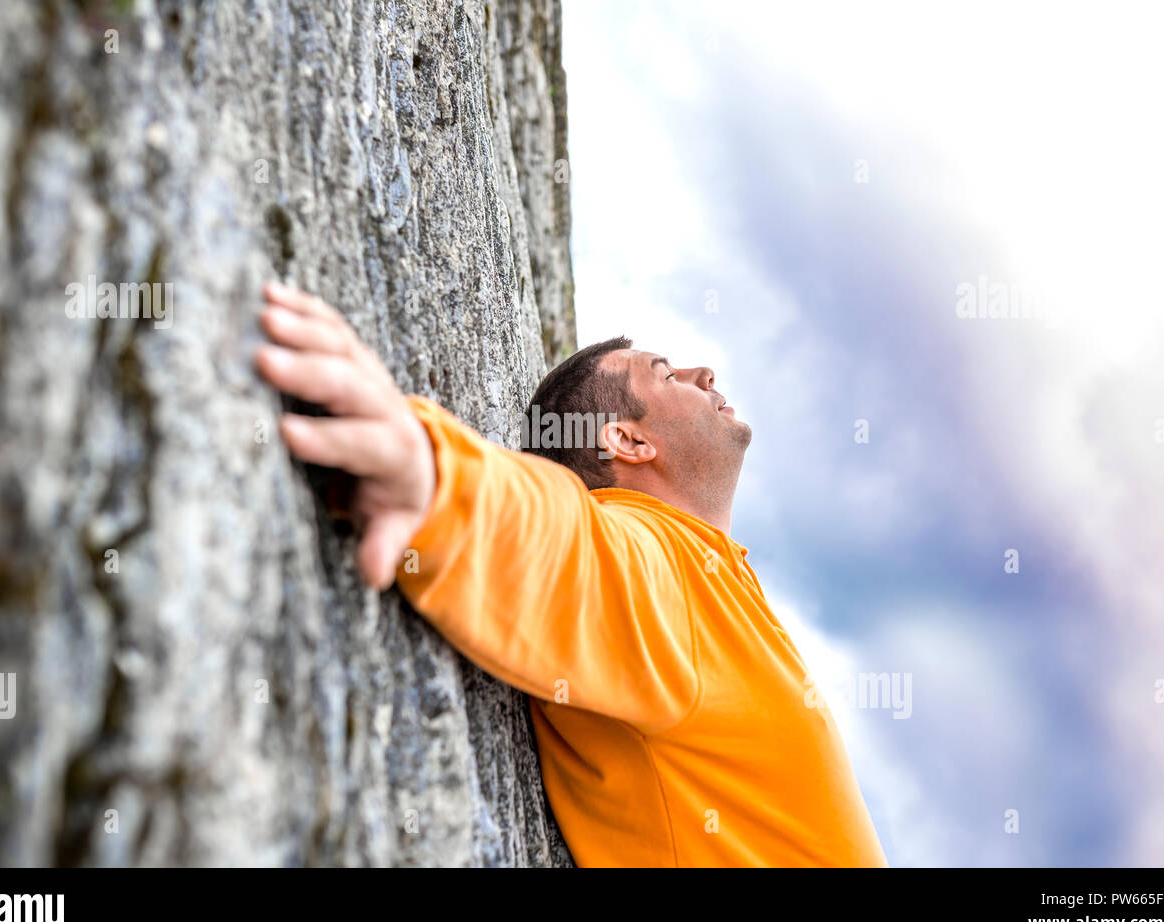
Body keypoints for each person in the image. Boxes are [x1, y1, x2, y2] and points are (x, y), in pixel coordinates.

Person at [254, 280, 888, 867]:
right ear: (629, 442)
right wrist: (435, 473)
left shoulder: (716, 572)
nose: (704, 373)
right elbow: (572, 551)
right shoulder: (663, 560)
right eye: (666, 374)